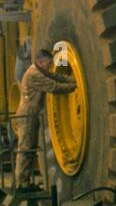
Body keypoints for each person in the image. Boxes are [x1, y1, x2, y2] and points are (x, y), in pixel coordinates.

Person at [15, 48, 76, 188]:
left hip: (31, 113)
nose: (50, 66)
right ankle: (22, 182)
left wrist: (71, 79)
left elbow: (54, 76)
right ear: (40, 62)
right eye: (48, 63)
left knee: (29, 147)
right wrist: (73, 86)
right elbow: (53, 87)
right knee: (26, 147)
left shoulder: (39, 70)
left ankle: (25, 181)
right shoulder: (34, 74)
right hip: (27, 114)